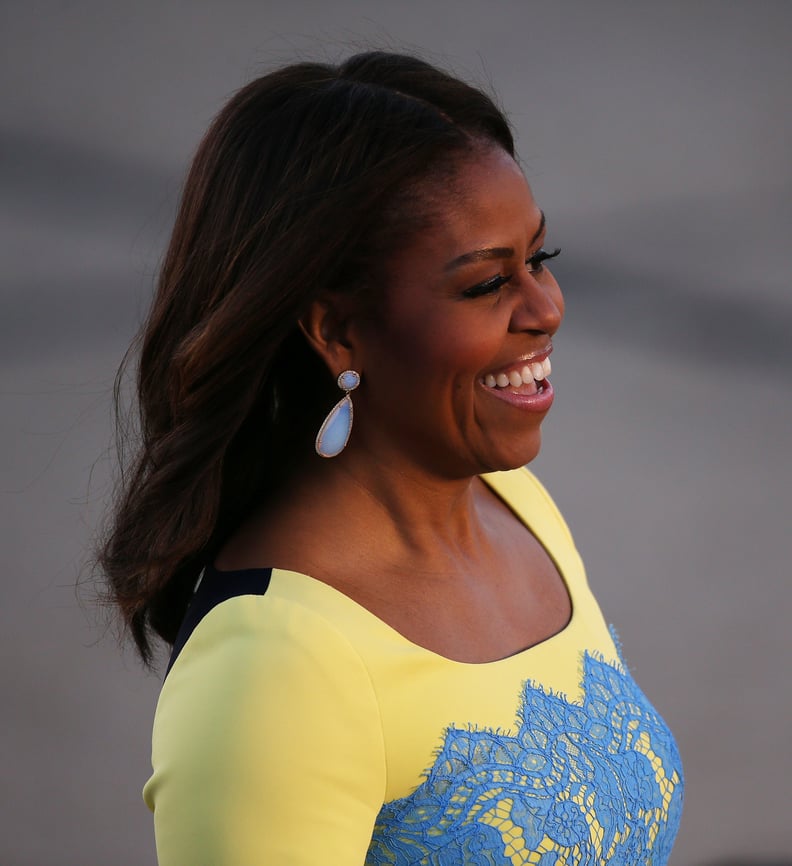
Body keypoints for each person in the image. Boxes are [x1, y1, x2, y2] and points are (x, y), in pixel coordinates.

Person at [100, 51, 684, 865]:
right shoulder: (275, 670)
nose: (547, 308)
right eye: (488, 284)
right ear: (337, 329)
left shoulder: (518, 505)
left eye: (539, 260)